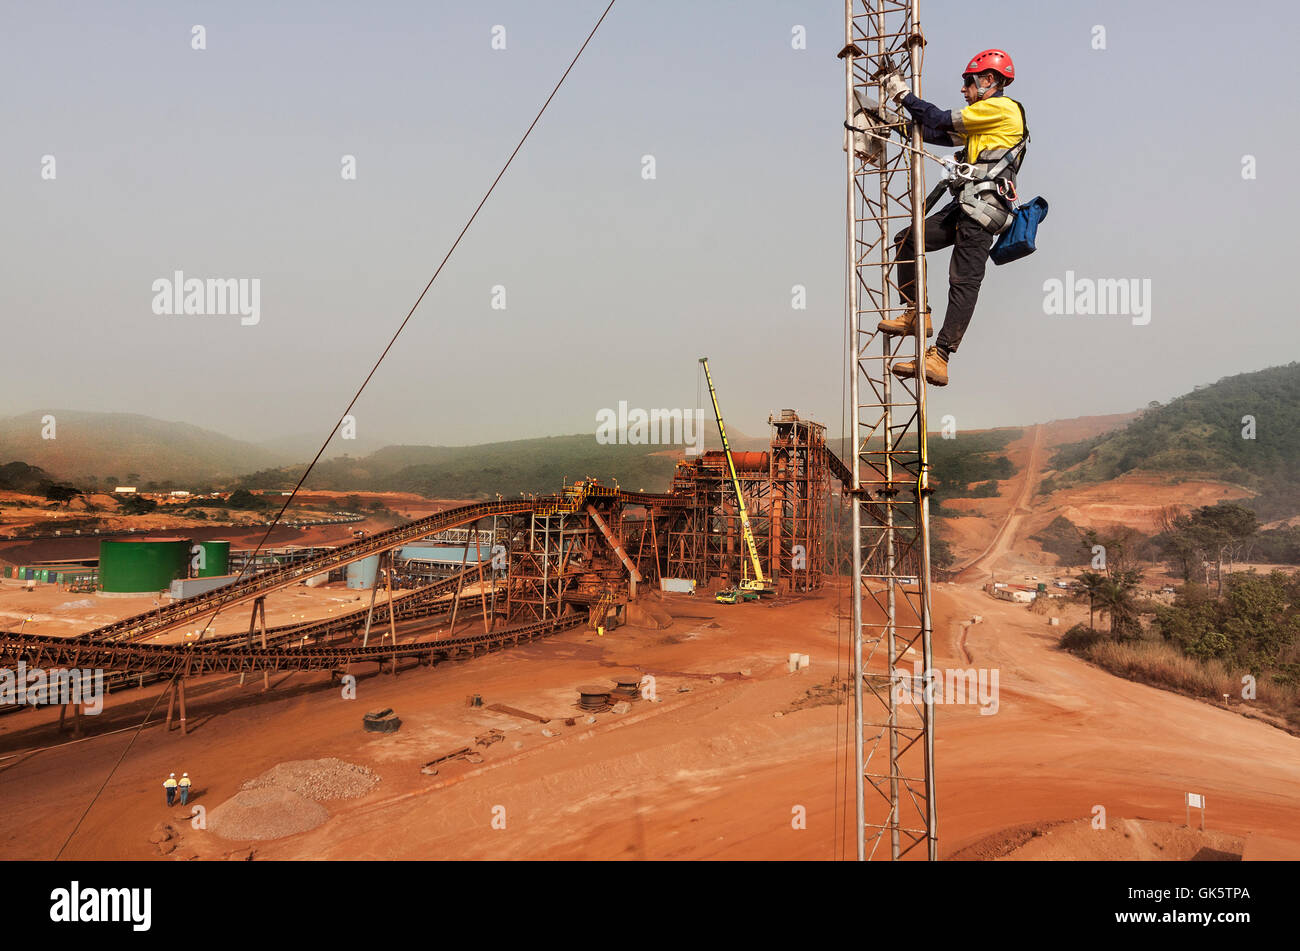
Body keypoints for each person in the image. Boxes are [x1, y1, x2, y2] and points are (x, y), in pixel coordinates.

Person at [877, 49, 1027, 387]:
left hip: (984, 211)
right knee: (908, 239)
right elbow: (935, 134)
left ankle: (941, 356)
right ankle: (917, 312)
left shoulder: (1002, 109)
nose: (963, 90)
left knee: (963, 282)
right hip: (964, 205)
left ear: (989, 80)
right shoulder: (983, 120)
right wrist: (897, 121)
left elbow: (941, 119)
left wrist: (901, 93)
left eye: (967, 83)